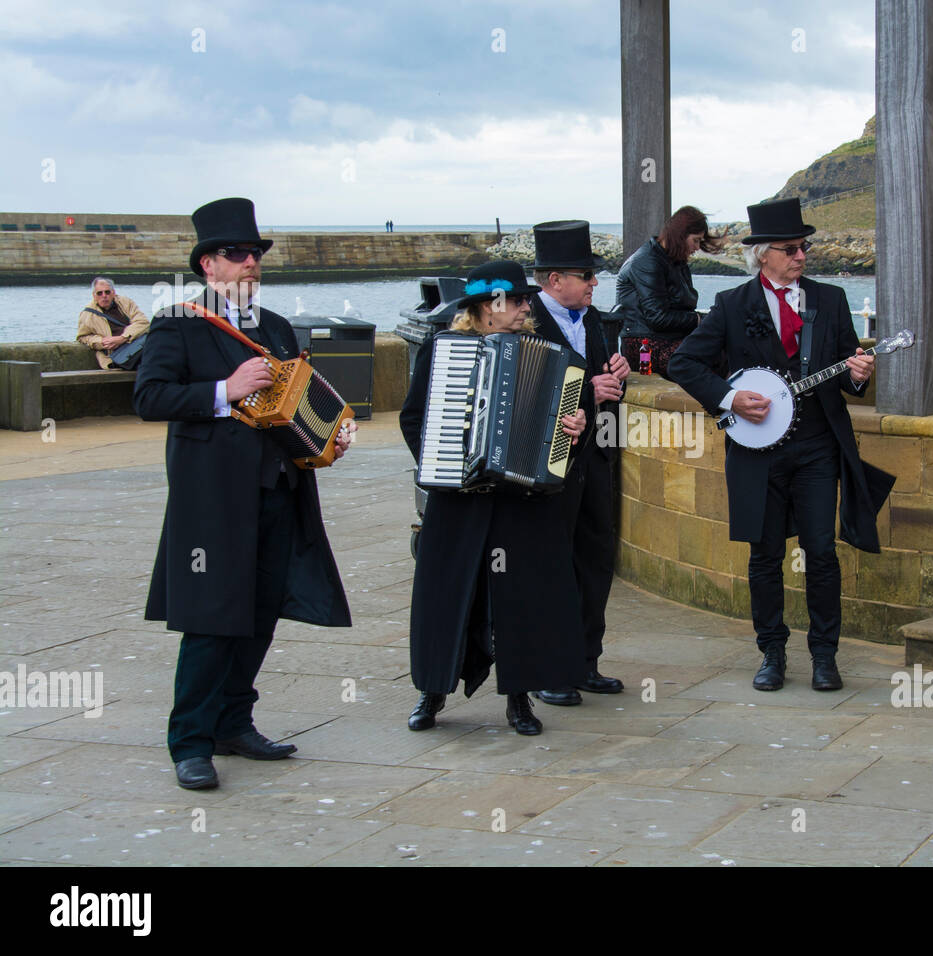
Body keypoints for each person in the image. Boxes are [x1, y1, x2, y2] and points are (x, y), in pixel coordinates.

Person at [134, 198, 354, 790]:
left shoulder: (278, 327)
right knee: (211, 619)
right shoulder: (177, 322)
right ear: (207, 265)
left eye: (255, 253)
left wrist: (329, 437)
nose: (250, 262)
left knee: (259, 614)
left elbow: (298, 407)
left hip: (280, 489)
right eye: (236, 253)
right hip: (213, 499)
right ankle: (191, 742)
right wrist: (222, 390)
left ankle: (234, 723)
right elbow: (149, 398)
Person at [668, 198, 894, 692]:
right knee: (765, 553)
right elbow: (684, 363)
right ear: (762, 255)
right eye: (790, 249)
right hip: (757, 452)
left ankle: (824, 656)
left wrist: (859, 374)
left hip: (817, 447)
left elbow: (847, 370)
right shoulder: (732, 305)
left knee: (821, 552)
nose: (801, 256)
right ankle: (771, 651)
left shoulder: (830, 299)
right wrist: (730, 397)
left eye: (804, 247)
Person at [399, 260, 588, 736]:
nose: (528, 307)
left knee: (521, 598)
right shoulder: (443, 351)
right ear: (489, 307)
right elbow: (413, 418)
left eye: (527, 299)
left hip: (521, 499)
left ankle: (519, 700)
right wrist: (447, 456)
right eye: (519, 300)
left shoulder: (548, 354)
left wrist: (573, 430)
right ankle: (432, 691)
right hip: (458, 499)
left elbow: (562, 430)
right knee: (448, 596)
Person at [527, 220, 631, 706]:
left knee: (595, 558)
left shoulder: (594, 320)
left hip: (595, 458)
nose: (594, 284)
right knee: (552, 564)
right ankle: (550, 667)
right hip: (546, 462)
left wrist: (617, 380)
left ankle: (586, 661)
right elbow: (521, 397)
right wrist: (589, 391)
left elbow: (605, 390)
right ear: (553, 281)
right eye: (585, 275)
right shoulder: (524, 322)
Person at [615, 205, 720, 380]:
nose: (697, 247)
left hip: (665, 340)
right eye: (695, 240)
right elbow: (657, 318)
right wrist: (699, 319)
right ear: (681, 235)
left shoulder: (675, 262)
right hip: (643, 347)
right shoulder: (647, 261)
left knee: (725, 348)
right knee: (708, 357)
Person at [76, 277, 150, 369]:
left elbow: (143, 322)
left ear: (113, 293)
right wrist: (102, 341)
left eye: (107, 292)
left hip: (137, 348)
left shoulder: (126, 303)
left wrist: (123, 338)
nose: (104, 296)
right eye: (99, 293)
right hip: (116, 357)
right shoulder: (87, 314)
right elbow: (82, 337)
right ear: (94, 296)